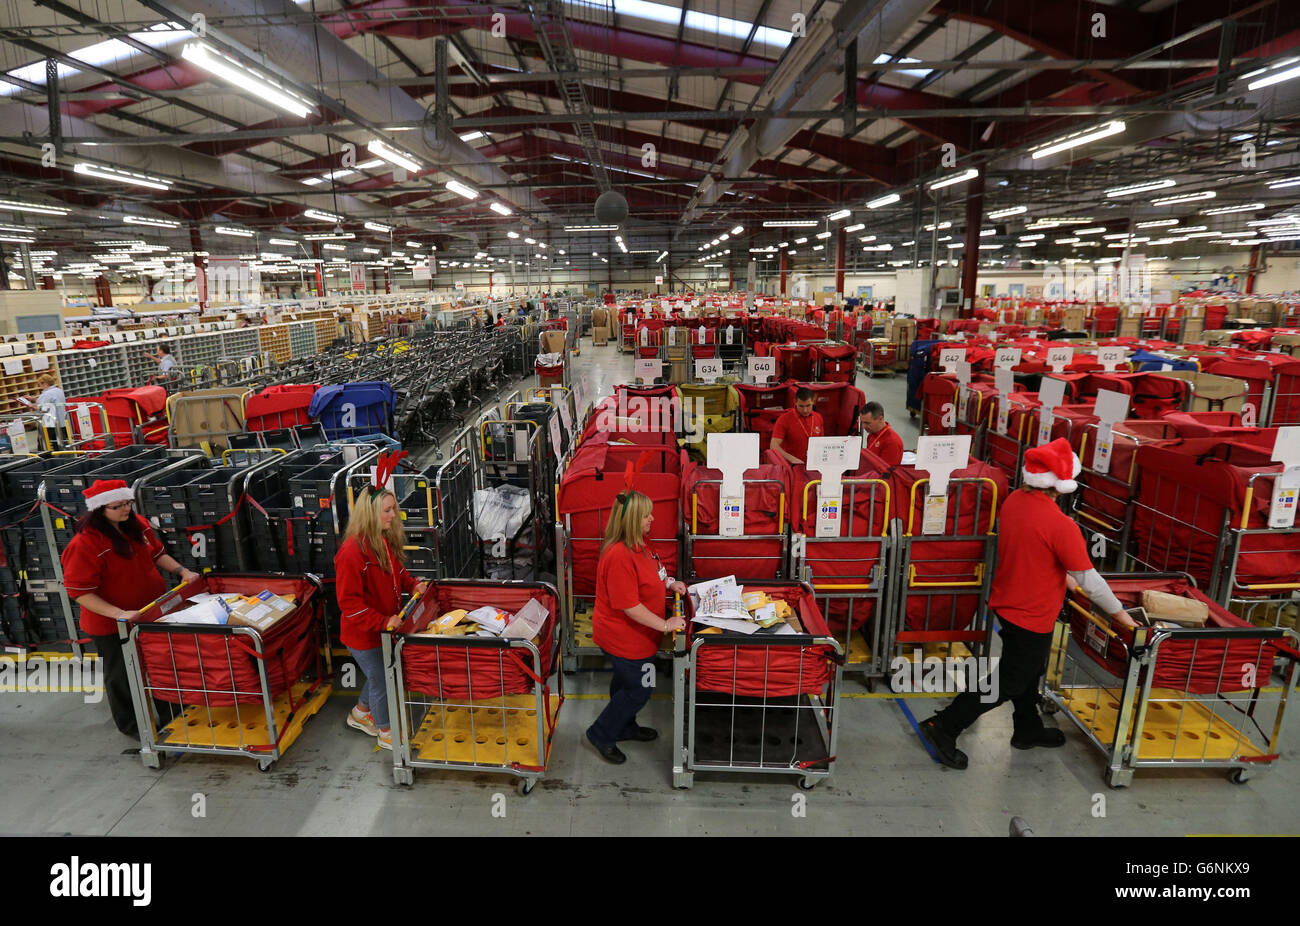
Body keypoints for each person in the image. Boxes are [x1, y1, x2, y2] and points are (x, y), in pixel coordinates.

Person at [917, 439, 1130, 770]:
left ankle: (1027, 729)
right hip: (1031, 614)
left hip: (1009, 604)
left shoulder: (1015, 500)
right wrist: (1121, 615)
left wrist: (1065, 577)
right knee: (1010, 681)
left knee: (1029, 672)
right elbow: (1091, 581)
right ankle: (944, 725)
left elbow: (1034, 549)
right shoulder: (1062, 525)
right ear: (1063, 486)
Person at [61, 480, 200, 738]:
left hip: (149, 613)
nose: (126, 509)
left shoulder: (138, 525)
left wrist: (182, 571)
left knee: (161, 667)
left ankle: (175, 715)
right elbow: (79, 592)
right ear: (100, 510)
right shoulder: (85, 545)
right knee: (122, 676)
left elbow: (157, 554)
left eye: (128, 503)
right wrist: (118, 614)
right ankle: (134, 727)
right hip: (111, 624)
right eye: (118, 506)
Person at [586, 489, 687, 764]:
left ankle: (625, 726)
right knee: (640, 688)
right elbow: (629, 606)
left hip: (641, 637)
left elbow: (655, 573)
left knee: (624, 684)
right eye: (646, 516)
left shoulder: (642, 544)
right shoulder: (619, 556)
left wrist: (669, 583)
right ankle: (601, 733)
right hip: (625, 639)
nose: (652, 518)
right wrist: (666, 624)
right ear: (632, 520)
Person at [335, 453, 427, 750]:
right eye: (387, 510)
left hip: (382, 629)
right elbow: (349, 604)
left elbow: (396, 571)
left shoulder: (381, 540)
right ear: (371, 513)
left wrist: (413, 583)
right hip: (363, 635)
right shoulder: (351, 553)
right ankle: (385, 730)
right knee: (384, 679)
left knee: (380, 675)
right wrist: (382, 621)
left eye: (393, 509)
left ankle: (360, 713)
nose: (393, 515)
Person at [770, 386, 825, 467]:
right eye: (801, 406)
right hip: (792, 466)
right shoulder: (784, 419)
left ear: (813, 402)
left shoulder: (818, 417)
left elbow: (821, 442)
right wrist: (792, 459)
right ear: (795, 402)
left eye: (808, 406)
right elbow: (773, 446)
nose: (805, 410)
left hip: (814, 466)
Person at [860, 401, 904, 466]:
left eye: (867, 423)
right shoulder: (871, 435)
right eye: (862, 422)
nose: (863, 427)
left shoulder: (892, 442)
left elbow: (887, 473)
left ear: (880, 419)